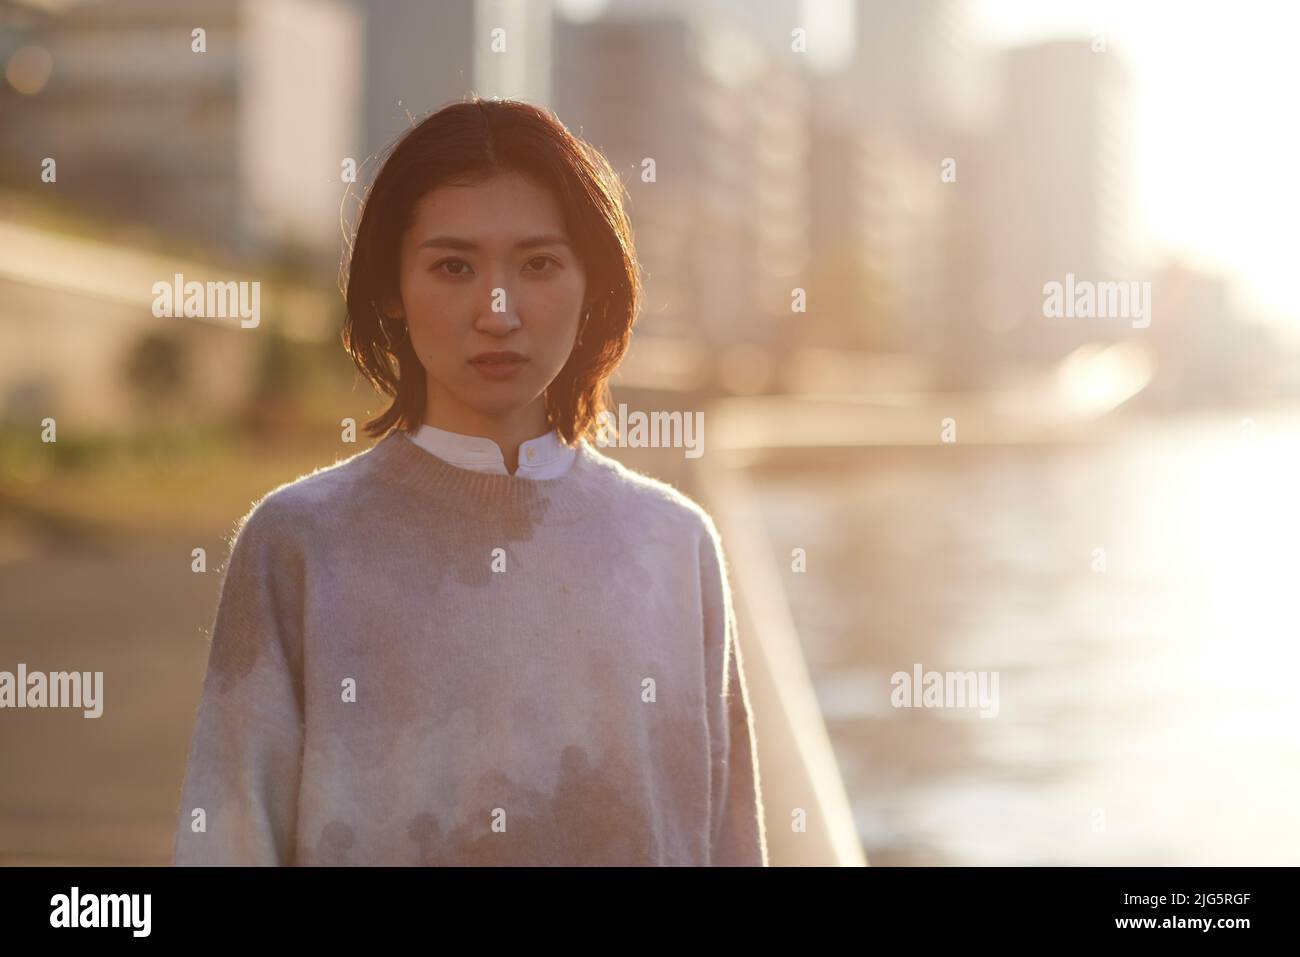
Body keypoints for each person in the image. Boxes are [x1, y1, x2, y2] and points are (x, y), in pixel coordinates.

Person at [171, 96, 768, 866]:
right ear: (391, 288)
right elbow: (227, 837)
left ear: (593, 283)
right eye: (454, 266)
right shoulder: (300, 541)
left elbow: (729, 838)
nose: (498, 311)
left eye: (538, 264)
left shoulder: (672, 543)